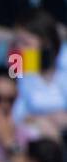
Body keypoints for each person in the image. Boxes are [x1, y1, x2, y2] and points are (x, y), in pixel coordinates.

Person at [9, 8, 67, 139]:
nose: (19, 48)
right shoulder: (16, 62)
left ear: (46, 44)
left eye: (25, 43)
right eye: (16, 42)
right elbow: (15, 112)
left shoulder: (64, 59)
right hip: (36, 136)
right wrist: (40, 120)